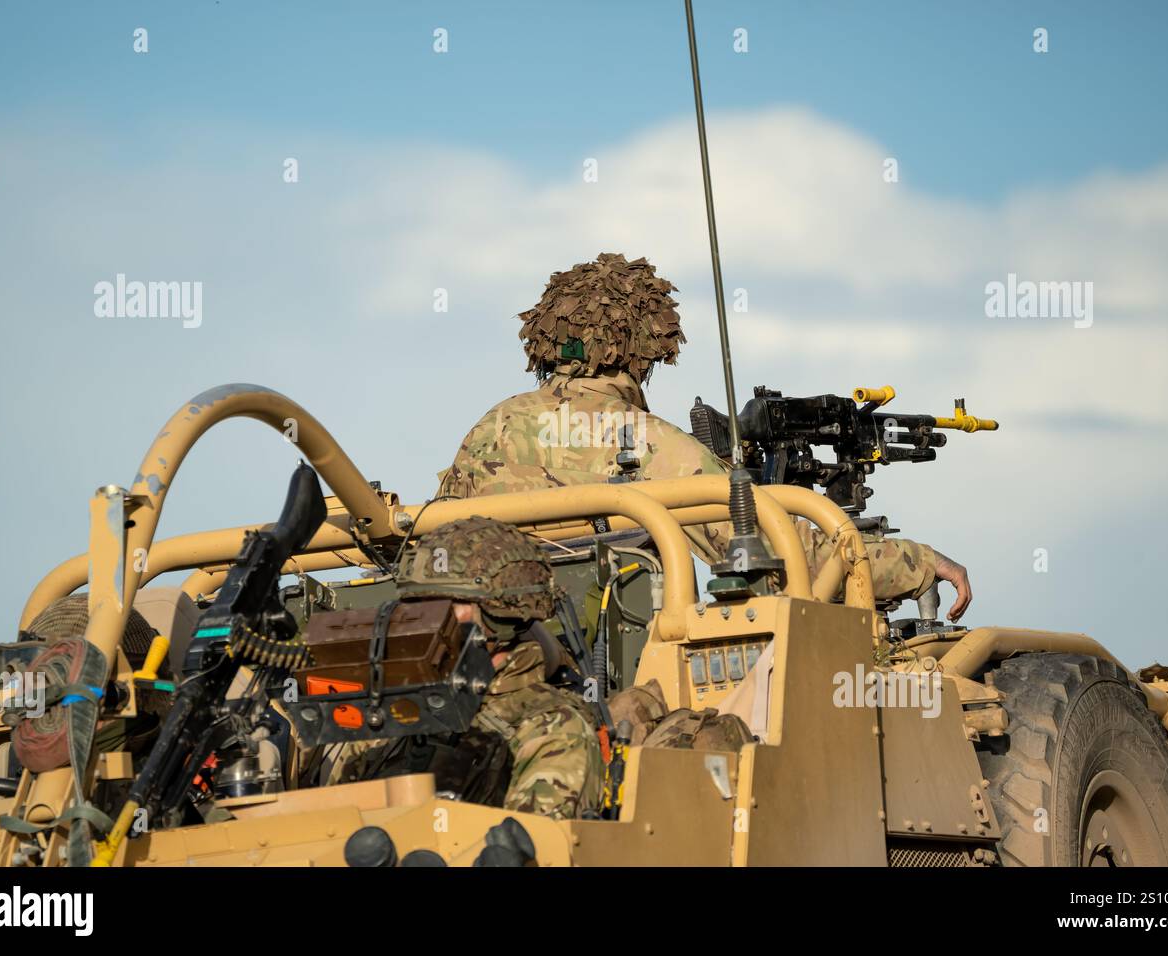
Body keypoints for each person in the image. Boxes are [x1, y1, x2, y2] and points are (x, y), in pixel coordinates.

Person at [437, 252, 973, 620]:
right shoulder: (646, 443)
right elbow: (788, 560)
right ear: (644, 349)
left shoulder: (489, 428)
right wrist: (920, 562)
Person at [391, 515, 605, 820]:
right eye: (416, 605)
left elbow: (536, 846)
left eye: (443, 603)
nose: (423, 619)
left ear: (498, 615)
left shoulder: (551, 729)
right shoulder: (399, 714)